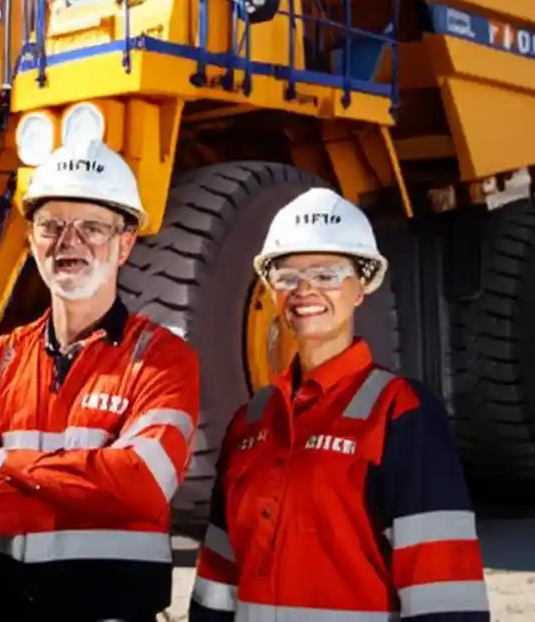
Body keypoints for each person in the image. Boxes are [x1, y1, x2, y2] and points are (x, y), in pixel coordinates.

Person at [189, 186, 491, 621]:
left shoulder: (402, 415)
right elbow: (217, 585)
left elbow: (446, 593)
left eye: (328, 274)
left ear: (361, 287)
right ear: (272, 291)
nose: (305, 290)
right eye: (288, 276)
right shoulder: (249, 423)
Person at [0, 137, 201, 622]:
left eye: (92, 227)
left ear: (125, 245)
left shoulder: (162, 360)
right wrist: (81, 494)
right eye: (51, 225)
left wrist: (5, 461)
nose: (68, 241)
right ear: (31, 239)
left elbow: (143, 483)